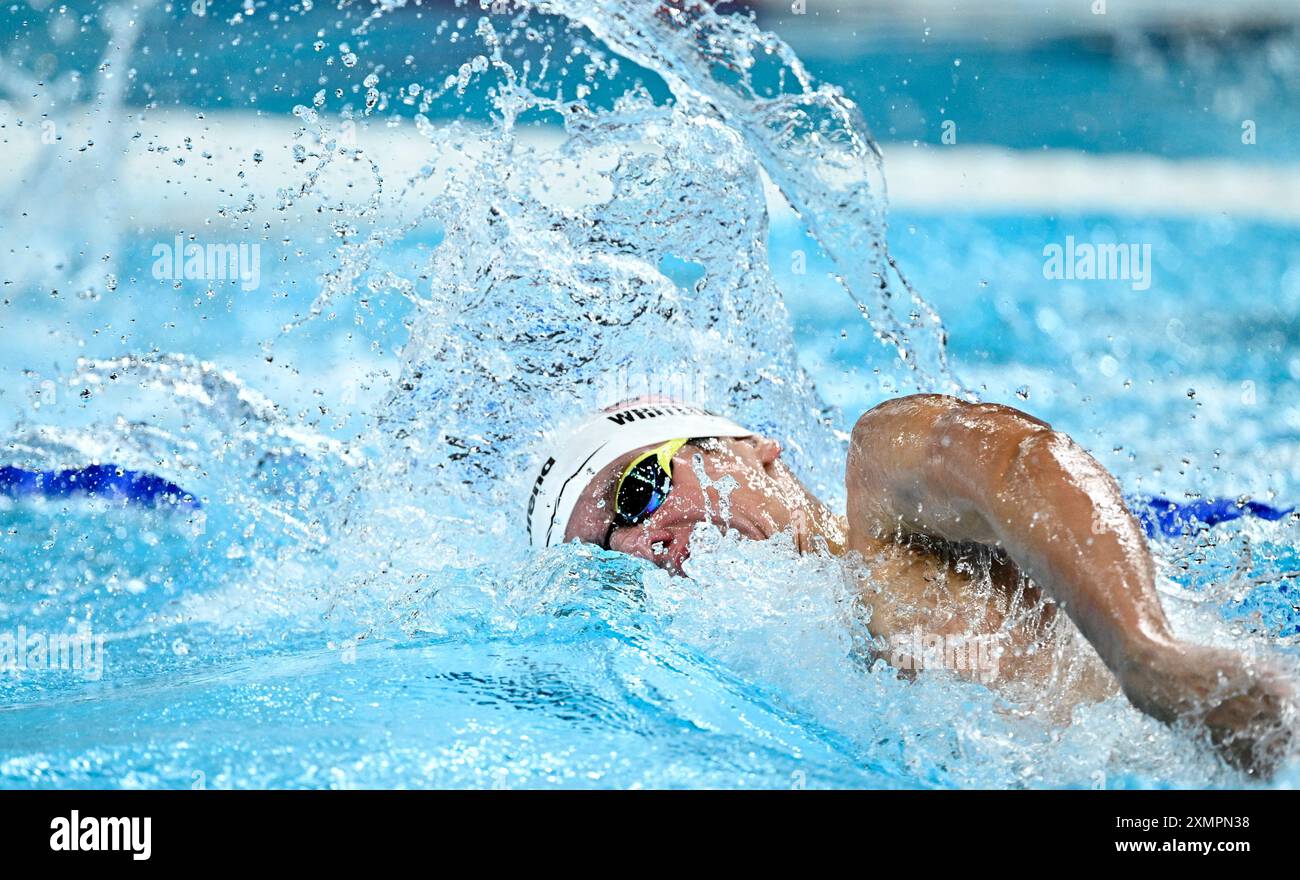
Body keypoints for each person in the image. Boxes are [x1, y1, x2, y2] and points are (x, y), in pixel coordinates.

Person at [527, 395, 1295, 777]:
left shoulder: (885, 492)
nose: (644, 543)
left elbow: (1023, 460)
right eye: (607, 558)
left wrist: (1144, 654)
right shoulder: (792, 700)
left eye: (637, 491)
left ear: (750, 451)